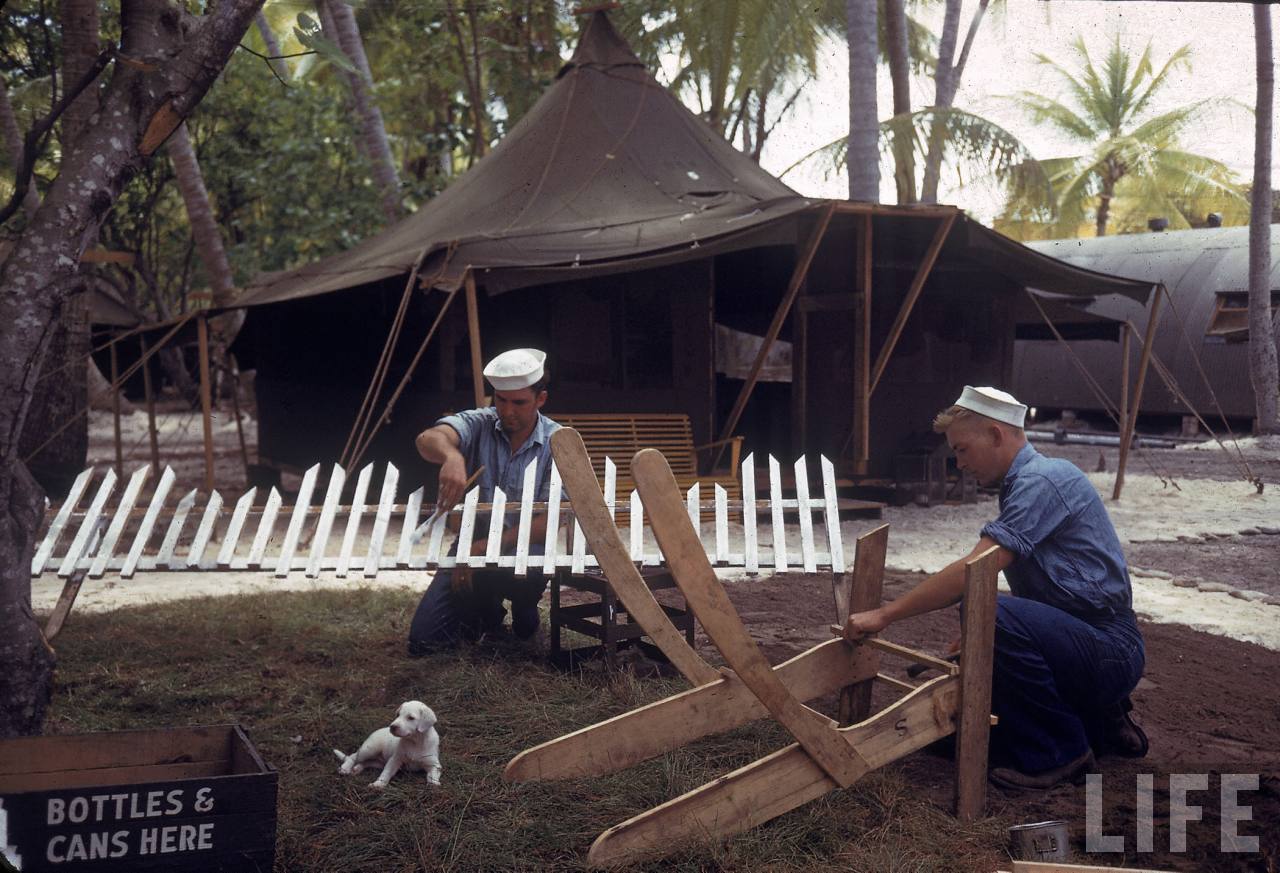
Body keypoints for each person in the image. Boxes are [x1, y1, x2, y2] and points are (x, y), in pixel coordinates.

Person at [843, 386, 1148, 790]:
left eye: (963, 449)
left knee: (990, 611)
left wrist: (884, 615)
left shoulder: (1044, 480)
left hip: (1110, 647)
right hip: (1093, 640)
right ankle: (1098, 721)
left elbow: (977, 571)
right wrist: (978, 636)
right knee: (985, 640)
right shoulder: (1027, 482)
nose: (958, 463)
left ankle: (1060, 752)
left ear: (996, 434)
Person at [408, 348, 560, 655]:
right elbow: (426, 439)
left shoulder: (558, 442)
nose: (507, 411)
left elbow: (550, 522)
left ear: (540, 399)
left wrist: (485, 547)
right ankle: (487, 615)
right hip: (473, 541)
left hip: (524, 546)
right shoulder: (480, 422)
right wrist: (451, 455)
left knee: (526, 576)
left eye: (519, 402)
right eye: (501, 400)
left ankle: (524, 610)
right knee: (424, 641)